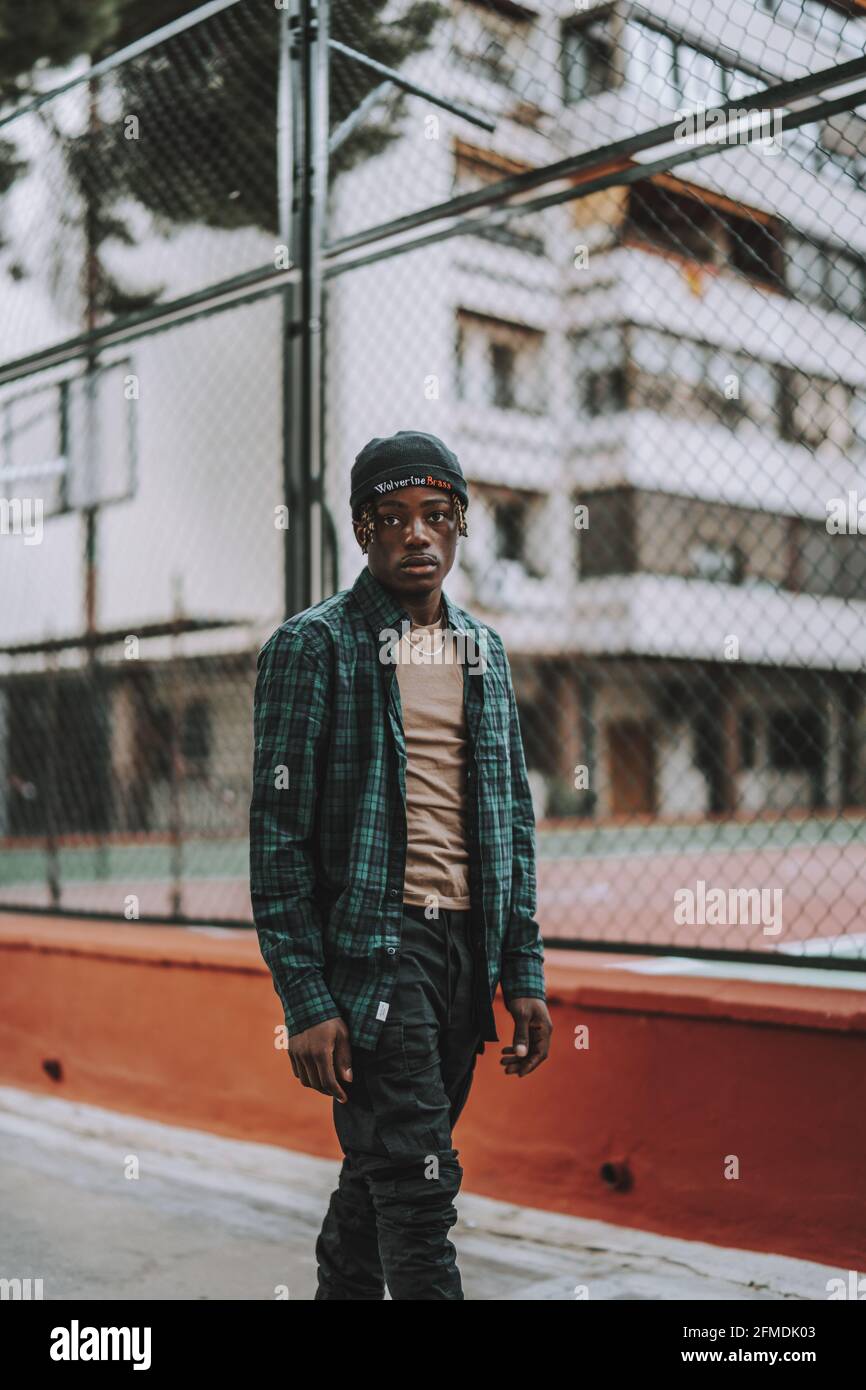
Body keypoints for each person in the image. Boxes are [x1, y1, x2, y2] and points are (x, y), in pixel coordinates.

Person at [249, 429, 552, 1300]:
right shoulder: (315, 648)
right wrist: (306, 999)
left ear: (460, 526)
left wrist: (521, 968)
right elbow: (276, 842)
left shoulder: (484, 654)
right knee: (421, 1193)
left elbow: (511, 823)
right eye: (392, 518)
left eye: (436, 516)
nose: (415, 535)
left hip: (465, 956)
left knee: (384, 1171)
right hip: (380, 957)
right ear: (361, 530)